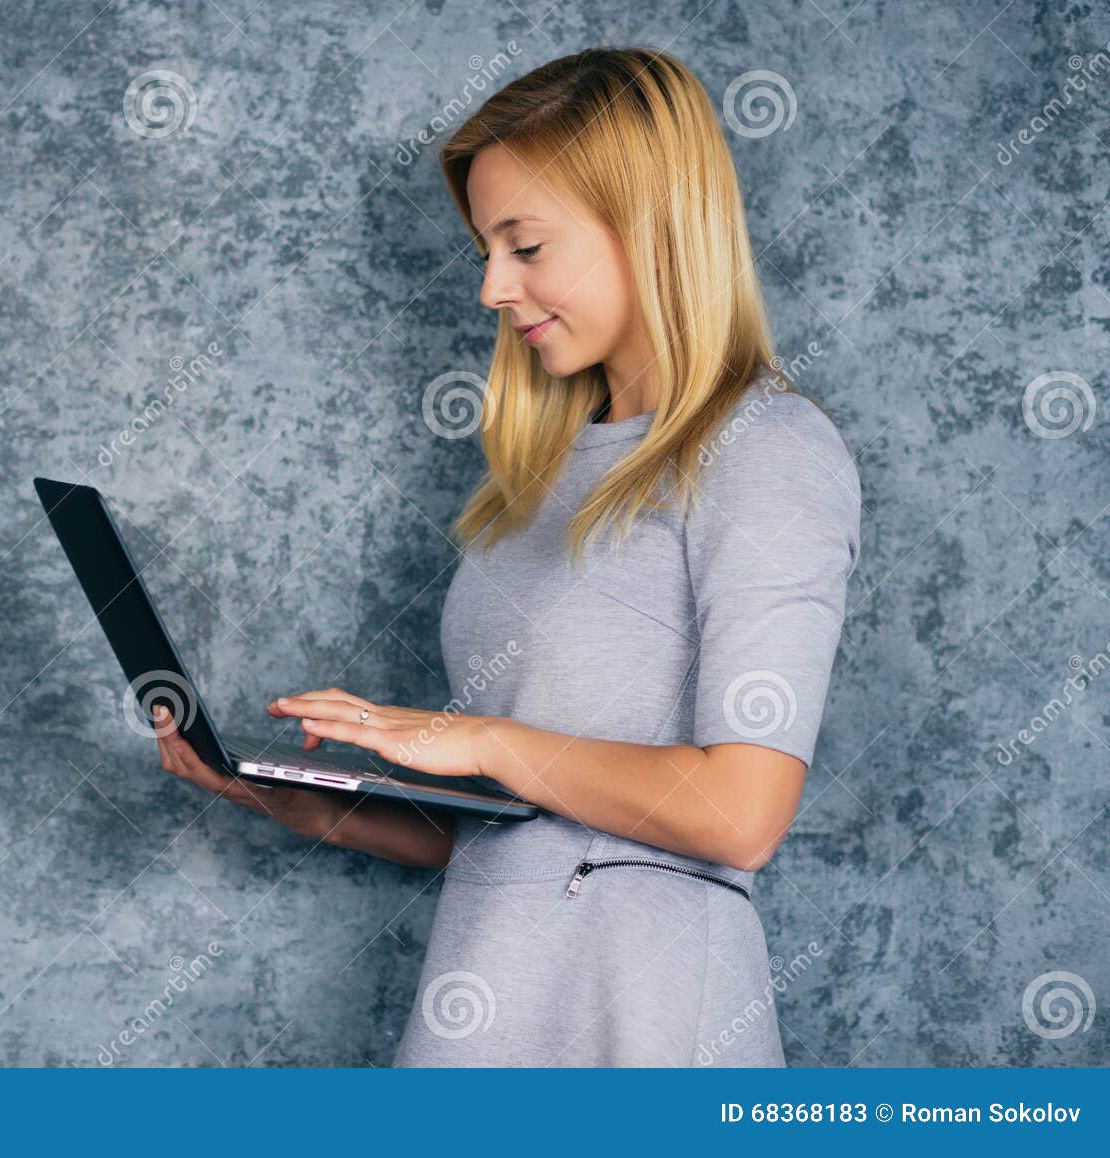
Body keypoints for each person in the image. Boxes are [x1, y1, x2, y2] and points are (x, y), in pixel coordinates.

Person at [153, 46, 861, 1067]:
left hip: (640, 1019)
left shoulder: (769, 451)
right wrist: (292, 797)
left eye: (523, 246)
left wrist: (483, 740)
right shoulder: (547, 473)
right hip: (484, 998)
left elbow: (742, 814)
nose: (490, 286)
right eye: (485, 248)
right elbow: (523, 829)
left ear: (649, 229)